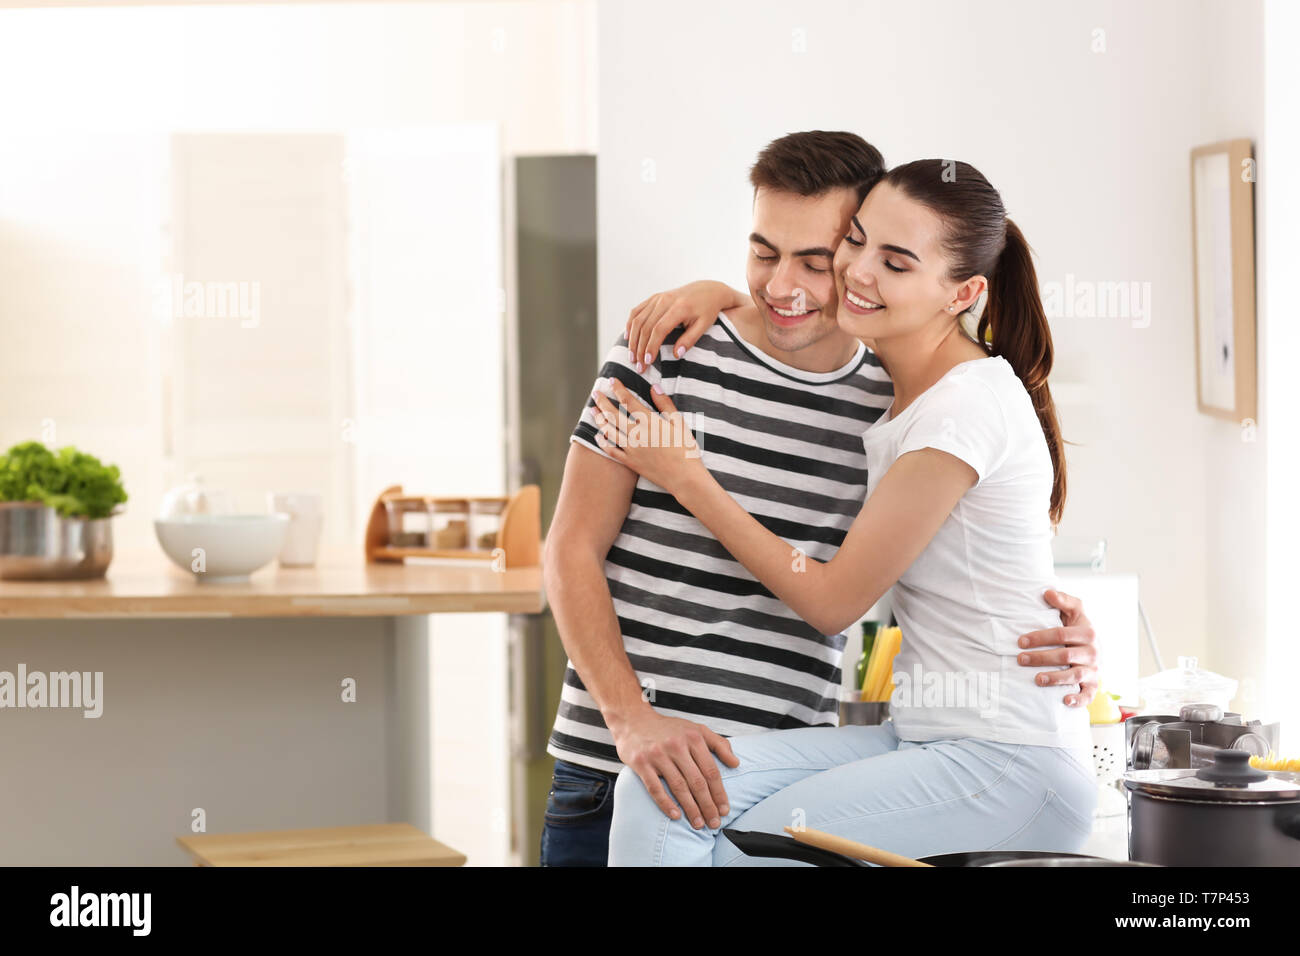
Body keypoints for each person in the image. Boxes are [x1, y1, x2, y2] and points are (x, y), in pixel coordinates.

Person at [541, 133, 1099, 868]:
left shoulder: (894, 398)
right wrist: (631, 720)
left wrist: (1065, 638)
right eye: (764, 253)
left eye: (816, 258)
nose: (784, 286)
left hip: (767, 755)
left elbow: (933, 564)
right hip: (618, 754)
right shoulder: (666, 350)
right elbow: (568, 549)